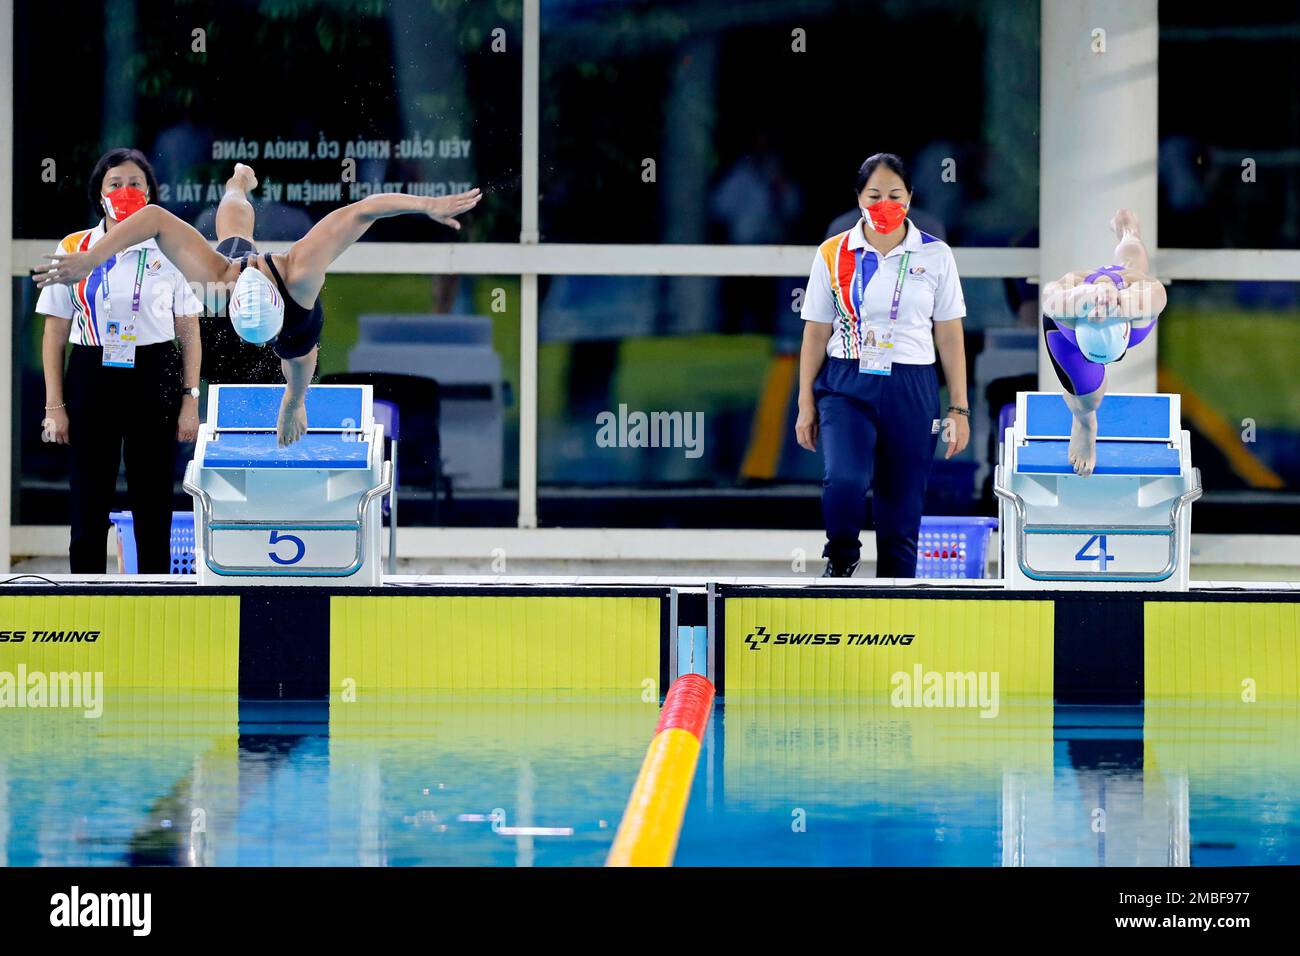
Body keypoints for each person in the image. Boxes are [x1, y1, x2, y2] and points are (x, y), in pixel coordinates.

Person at [36, 164, 481, 446]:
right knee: (233, 214)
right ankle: (238, 181)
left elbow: (362, 211)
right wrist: (91, 258)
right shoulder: (221, 274)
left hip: (295, 323)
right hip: (235, 280)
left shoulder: (300, 274)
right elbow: (152, 220)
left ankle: (292, 402)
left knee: (299, 371)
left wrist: (427, 205)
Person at [795, 153, 970, 578]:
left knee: (901, 510)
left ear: (910, 198)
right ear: (859, 199)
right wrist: (805, 402)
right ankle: (841, 556)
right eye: (874, 195)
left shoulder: (936, 255)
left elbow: (949, 334)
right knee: (844, 482)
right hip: (846, 381)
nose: (885, 203)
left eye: (895, 194)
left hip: (912, 384)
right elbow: (816, 333)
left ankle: (895, 603)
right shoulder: (833, 253)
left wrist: (959, 408)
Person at [36, 147, 203, 573]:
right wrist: (55, 406)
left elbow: (189, 330)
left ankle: (155, 596)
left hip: (154, 372)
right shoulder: (75, 247)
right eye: (115, 184)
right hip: (92, 372)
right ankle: (87, 593)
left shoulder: (169, 248)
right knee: (89, 495)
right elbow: (55, 332)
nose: (125, 191)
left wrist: (190, 399)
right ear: (100, 194)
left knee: (153, 497)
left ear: (150, 193)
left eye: (135, 184)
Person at [1039, 209, 1166, 477]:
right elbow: (1048, 297)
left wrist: (1122, 303)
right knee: (1087, 401)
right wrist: (1086, 299)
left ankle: (1127, 230)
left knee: (1133, 261)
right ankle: (1085, 424)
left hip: (1123, 309)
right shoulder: (1066, 310)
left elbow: (1159, 294)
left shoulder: (1139, 308)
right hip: (1069, 337)